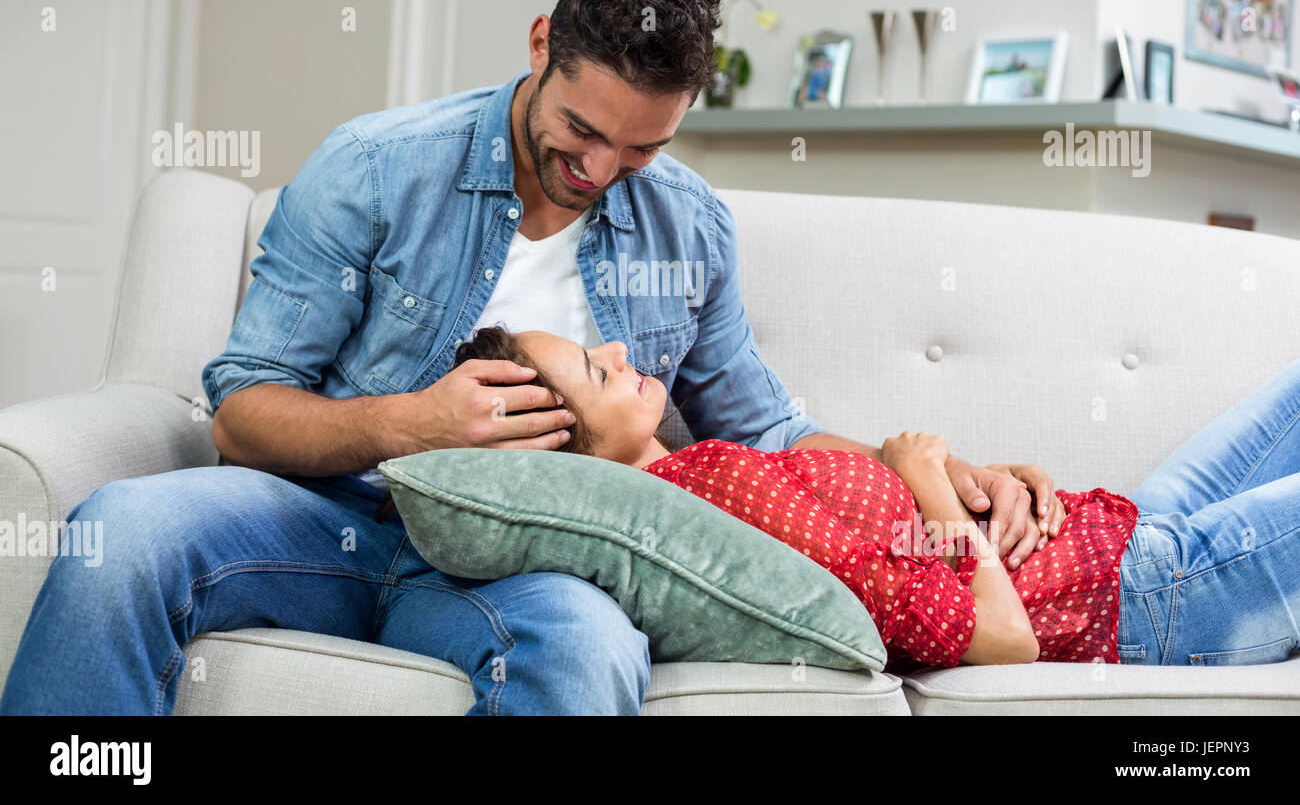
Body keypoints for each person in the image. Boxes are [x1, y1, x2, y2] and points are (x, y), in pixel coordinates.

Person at [1, 0, 1054, 717]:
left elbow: (769, 430)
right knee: (120, 531)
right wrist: (409, 425)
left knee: (588, 649)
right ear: (542, 44)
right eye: (581, 130)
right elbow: (242, 415)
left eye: (637, 151)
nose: (597, 170)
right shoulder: (375, 169)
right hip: (328, 517)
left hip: (521, 566)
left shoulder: (686, 224)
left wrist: (948, 478)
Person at [432, 326, 1300, 669]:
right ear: (560, 446)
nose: (620, 351)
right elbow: (1005, 640)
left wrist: (973, 476)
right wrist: (929, 486)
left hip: (1124, 527)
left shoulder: (709, 469)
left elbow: (875, 500)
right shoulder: (714, 496)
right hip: (1143, 597)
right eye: (596, 371)